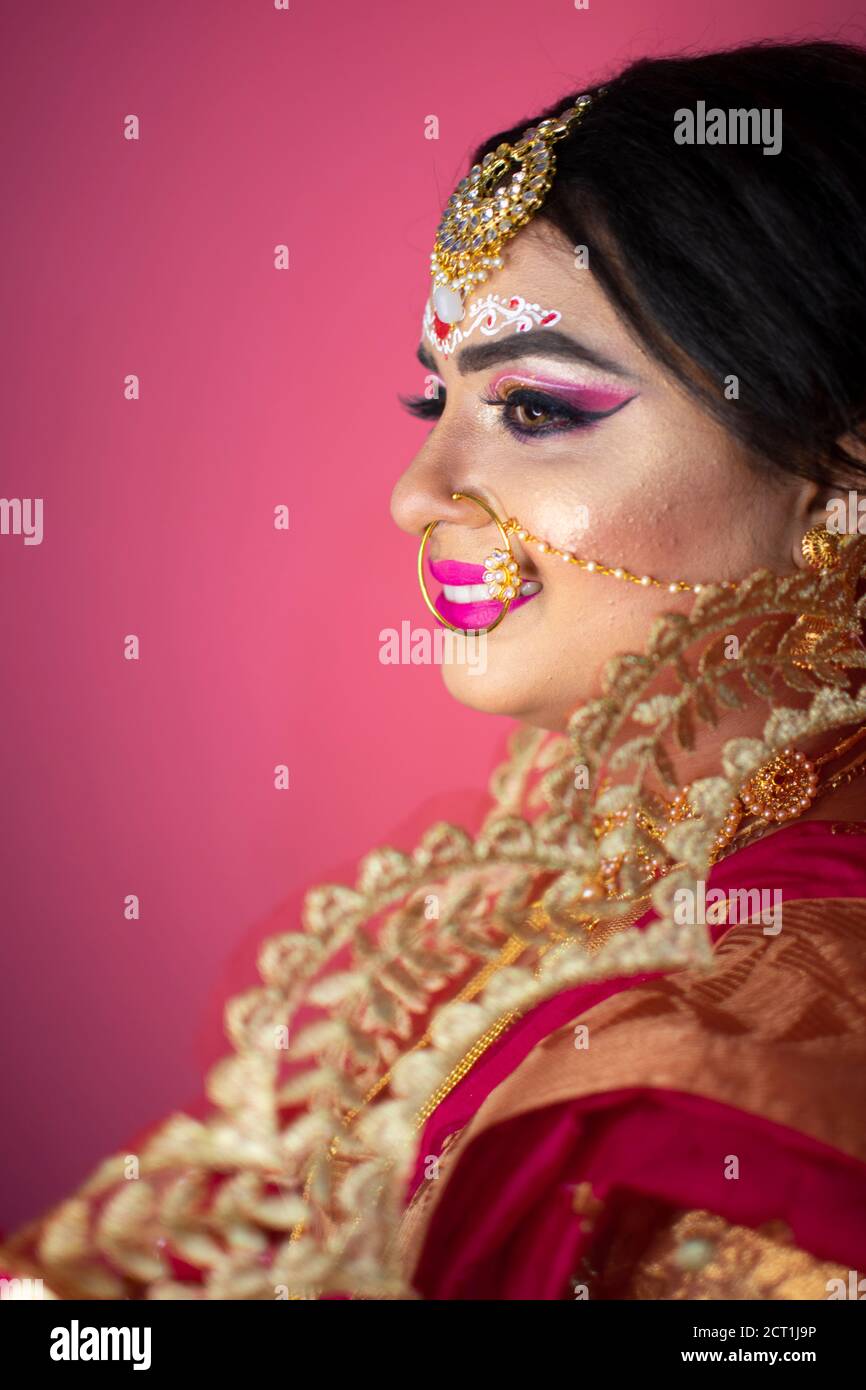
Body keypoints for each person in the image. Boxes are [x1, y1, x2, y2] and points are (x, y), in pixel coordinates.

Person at [4, 38, 866, 1301]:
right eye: (432, 408)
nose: (417, 494)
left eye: (532, 411)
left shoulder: (776, 1034)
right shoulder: (604, 915)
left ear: (837, 485)